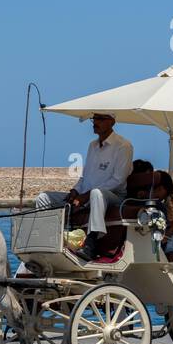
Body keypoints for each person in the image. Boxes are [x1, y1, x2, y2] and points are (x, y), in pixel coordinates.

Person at [36, 112, 133, 262]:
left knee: (97, 194)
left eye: (100, 119)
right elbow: (84, 177)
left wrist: (86, 195)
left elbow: (118, 180)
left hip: (113, 197)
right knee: (44, 198)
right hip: (88, 194)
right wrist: (75, 191)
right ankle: (47, 240)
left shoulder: (123, 146)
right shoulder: (92, 145)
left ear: (112, 122)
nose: (95, 122)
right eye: (94, 119)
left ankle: (91, 242)